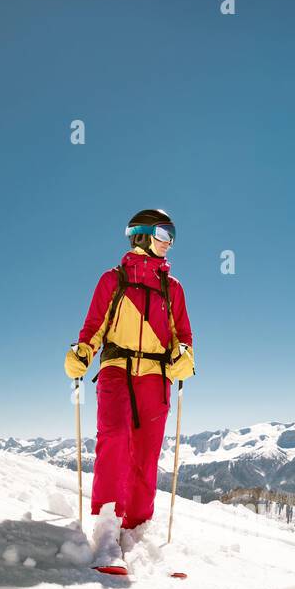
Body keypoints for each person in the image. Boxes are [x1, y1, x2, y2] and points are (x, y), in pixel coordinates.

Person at [64, 209, 195, 569]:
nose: (169, 243)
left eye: (172, 235)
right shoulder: (113, 280)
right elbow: (93, 326)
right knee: (116, 438)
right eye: (164, 233)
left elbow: (183, 336)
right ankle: (107, 532)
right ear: (141, 235)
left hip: (156, 378)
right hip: (116, 370)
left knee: (146, 456)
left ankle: (134, 533)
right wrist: (82, 352)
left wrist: (186, 358)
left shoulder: (174, 288)